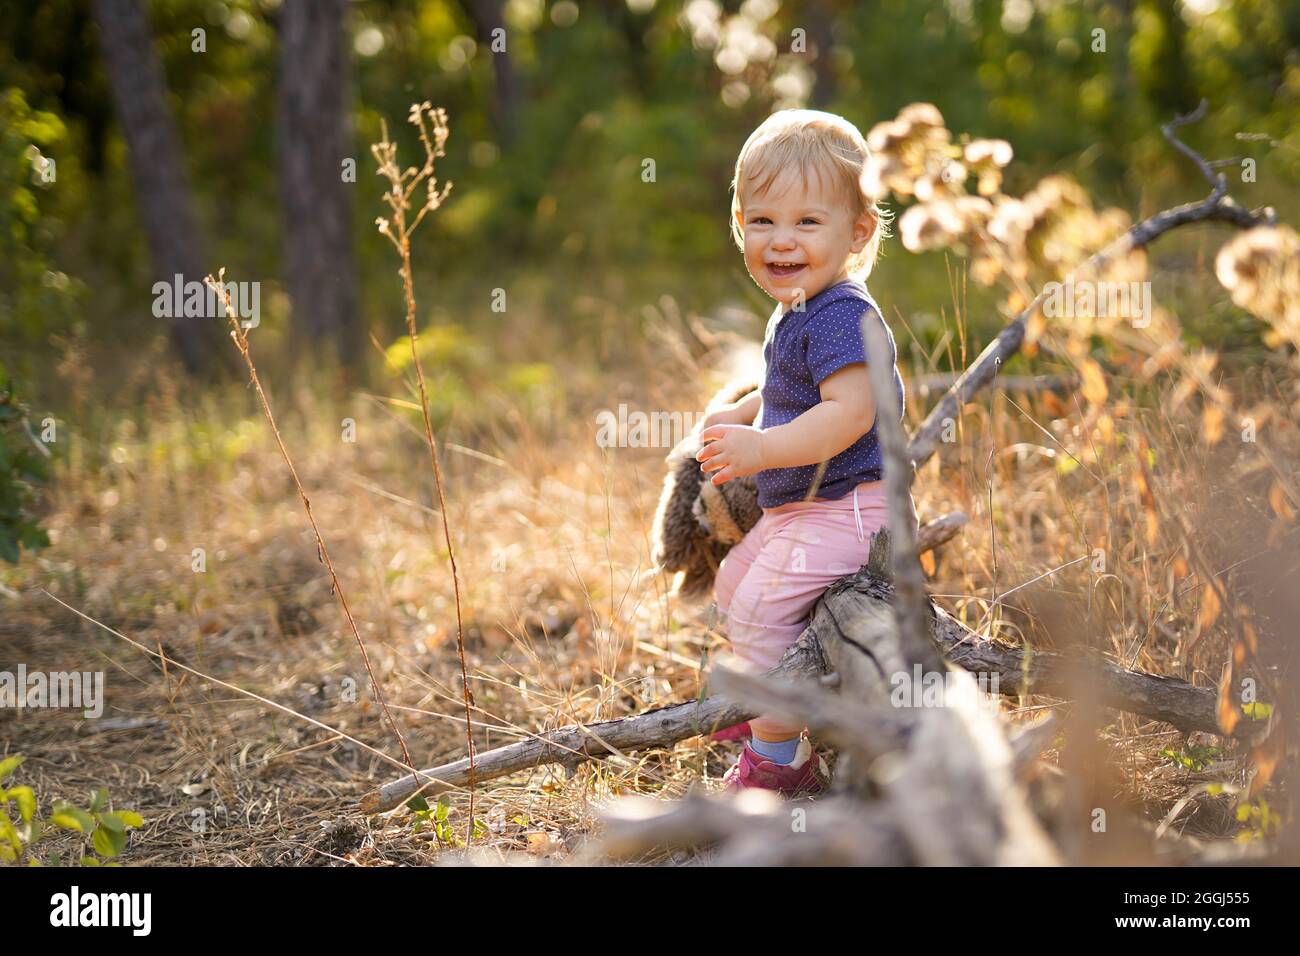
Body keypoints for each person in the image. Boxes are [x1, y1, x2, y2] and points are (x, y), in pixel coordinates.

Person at [696, 108, 909, 795]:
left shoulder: (845, 312)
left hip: (847, 511)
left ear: (858, 231)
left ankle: (779, 762)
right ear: (739, 225)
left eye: (807, 223)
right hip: (806, 507)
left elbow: (848, 412)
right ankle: (770, 699)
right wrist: (747, 407)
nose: (781, 241)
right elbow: (792, 386)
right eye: (762, 221)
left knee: (759, 612)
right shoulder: (798, 305)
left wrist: (760, 449)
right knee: (733, 591)